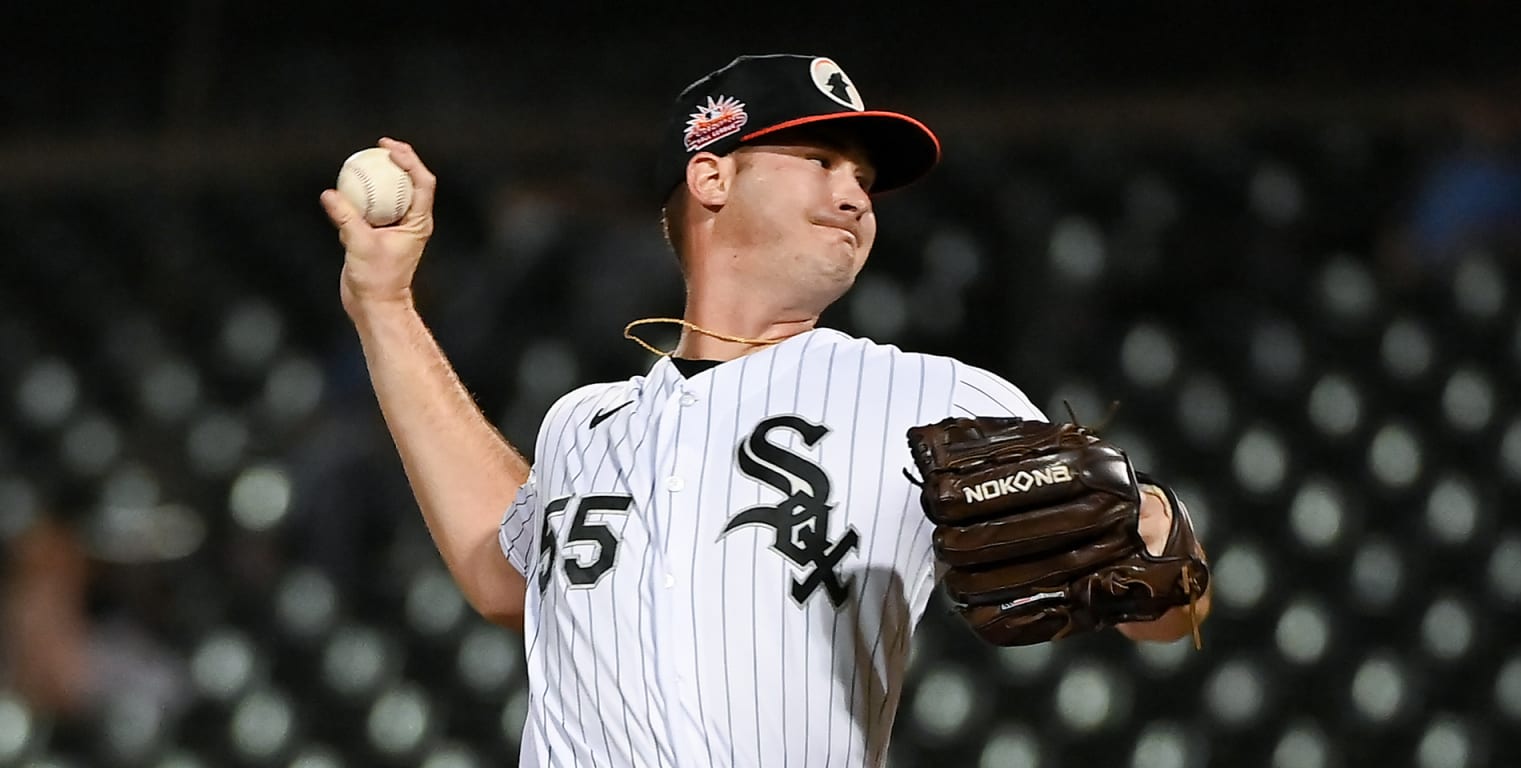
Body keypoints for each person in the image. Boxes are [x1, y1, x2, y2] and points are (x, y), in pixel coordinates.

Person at [319, 53, 1212, 768]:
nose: (856, 195)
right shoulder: (584, 424)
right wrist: (385, 307)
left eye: (864, 176)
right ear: (711, 177)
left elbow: (1164, 615)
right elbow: (500, 575)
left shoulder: (935, 398)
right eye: (821, 161)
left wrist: (1154, 526)